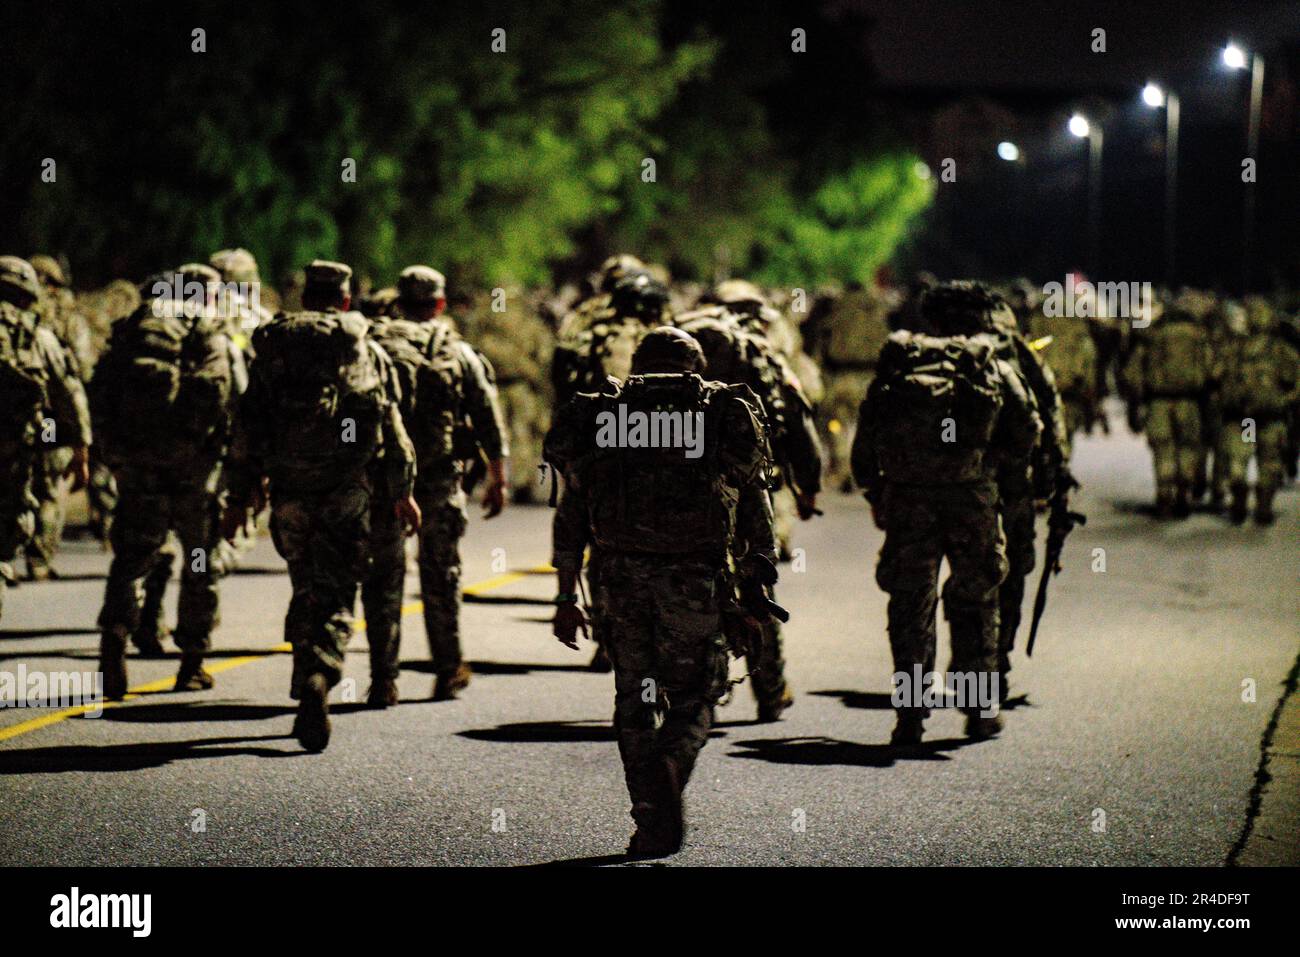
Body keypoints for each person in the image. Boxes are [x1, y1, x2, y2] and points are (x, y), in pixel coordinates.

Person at [546, 326, 777, 858]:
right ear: (695, 367)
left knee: (634, 696)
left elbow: (572, 513)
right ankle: (671, 759)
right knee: (697, 689)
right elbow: (752, 506)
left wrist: (565, 596)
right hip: (694, 576)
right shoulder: (718, 410)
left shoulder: (606, 414)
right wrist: (757, 588)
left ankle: (650, 817)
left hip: (618, 579)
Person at [224, 260, 419, 750]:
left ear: (307, 293)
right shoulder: (358, 344)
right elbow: (389, 425)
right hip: (344, 488)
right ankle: (320, 672)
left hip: (288, 487)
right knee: (334, 589)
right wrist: (402, 491)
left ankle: (303, 666)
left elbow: (247, 422)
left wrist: (240, 491)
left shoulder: (273, 344)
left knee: (304, 582)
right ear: (346, 297)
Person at [851, 282, 1041, 746]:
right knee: (975, 602)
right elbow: (1027, 429)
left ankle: (911, 717)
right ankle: (978, 712)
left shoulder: (900, 363)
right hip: (971, 500)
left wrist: (880, 492)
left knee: (910, 605)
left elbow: (865, 440)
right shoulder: (985, 362)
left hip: (909, 499)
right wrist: (994, 472)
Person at [89, 264, 239, 697]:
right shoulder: (205, 333)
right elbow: (229, 394)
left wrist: (115, 455)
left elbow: (99, 392)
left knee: (133, 557)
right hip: (193, 475)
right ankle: (191, 663)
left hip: (139, 469)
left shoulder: (132, 330)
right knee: (197, 562)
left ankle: (115, 634)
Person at [370, 265, 508, 700]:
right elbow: (486, 415)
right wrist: (499, 477)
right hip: (441, 478)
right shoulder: (457, 351)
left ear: (399, 302)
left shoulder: (375, 345)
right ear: (441, 304)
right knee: (441, 574)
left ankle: (383, 678)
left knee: (384, 575)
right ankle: (448, 670)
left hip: (385, 480)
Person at [0, 256, 91, 619]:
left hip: (35, 430)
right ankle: (37, 557)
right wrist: (81, 445)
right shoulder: (40, 331)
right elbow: (72, 387)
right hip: (33, 432)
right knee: (47, 487)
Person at [1213, 297, 1300, 525]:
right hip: (1268, 418)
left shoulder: (1234, 348)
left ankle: (1242, 499)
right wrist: (1285, 401)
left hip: (1245, 419)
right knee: (1268, 464)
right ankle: (1263, 506)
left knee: (1240, 462)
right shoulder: (1282, 350)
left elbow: (1215, 377)